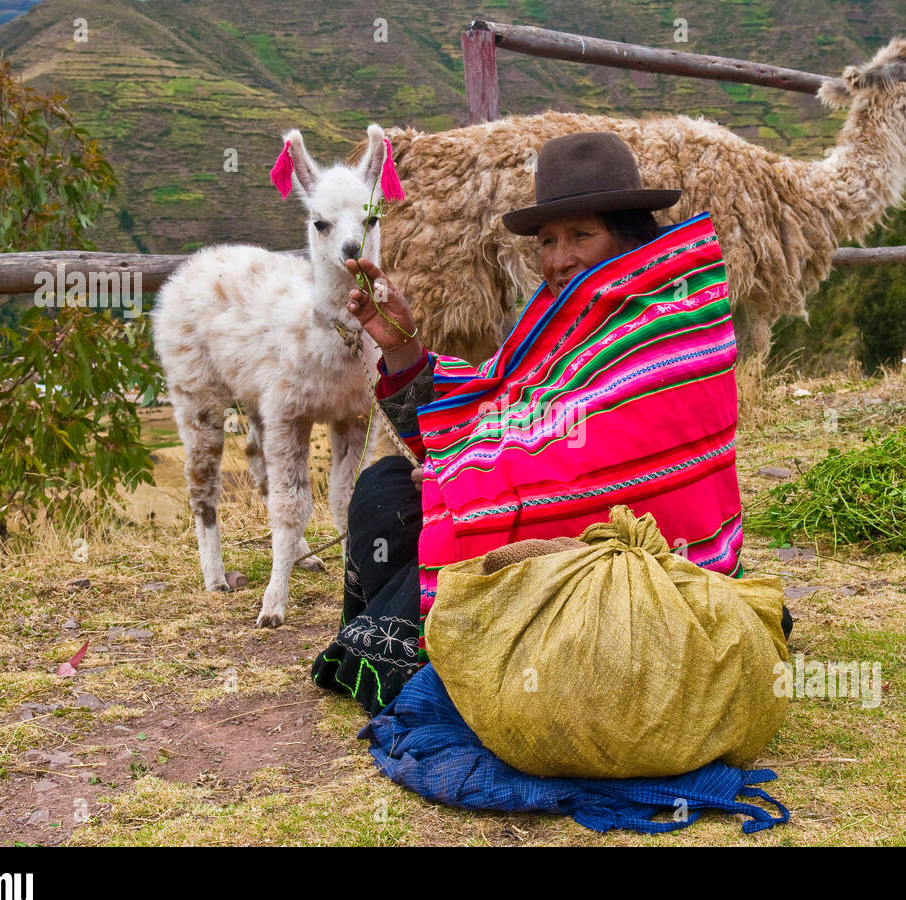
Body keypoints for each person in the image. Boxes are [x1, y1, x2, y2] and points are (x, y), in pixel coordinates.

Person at [312, 131, 791, 717]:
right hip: (549, 530)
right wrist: (405, 347)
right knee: (384, 490)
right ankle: (419, 635)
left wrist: (454, 476)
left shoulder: (674, 327)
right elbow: (500, 408)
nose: (560, 258)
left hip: (636, 561)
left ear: (628, 237)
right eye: (547, 241)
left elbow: (599, 478)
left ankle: (429, 645)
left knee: (443, 529)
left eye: (581, 236)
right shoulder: (563, 323)